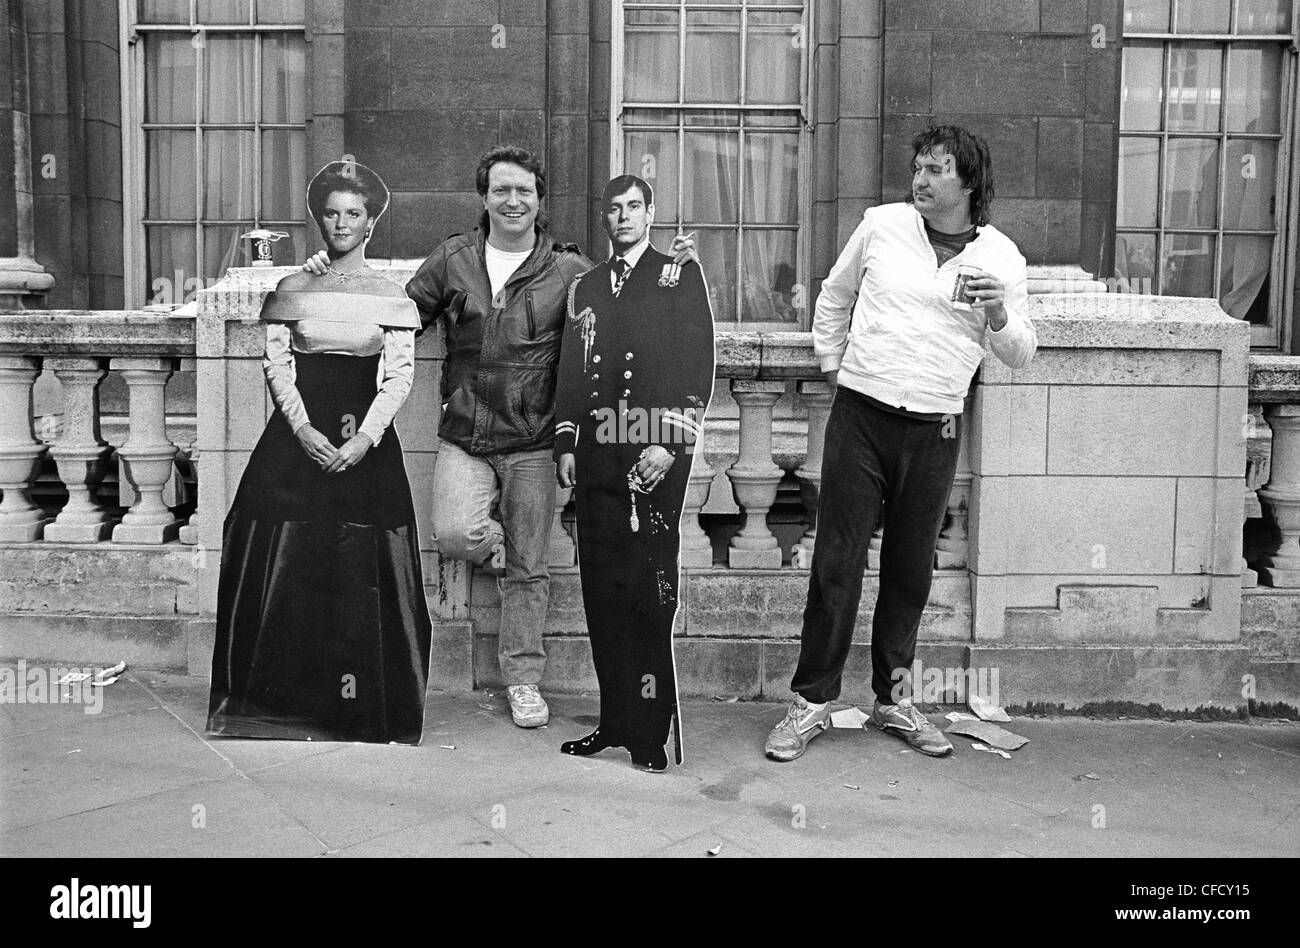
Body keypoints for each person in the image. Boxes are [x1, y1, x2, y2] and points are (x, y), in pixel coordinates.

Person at [765, 124, 1037, 762]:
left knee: (911, 569)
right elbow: (833, 299)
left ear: (968, 183)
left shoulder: (1002, 257)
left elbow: (1020, 352)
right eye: (918, 166)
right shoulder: (882, 225)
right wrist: (835, 367)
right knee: (836, 563)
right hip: (861, 416)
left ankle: (894, 700)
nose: (921, 178)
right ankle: (810, 702)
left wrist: (998, 313)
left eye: (938, 169)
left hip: (936, 427)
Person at [208, 159, 432, 743]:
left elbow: (400, 377)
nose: (341, 223)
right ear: (318, 219)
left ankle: (357, 707)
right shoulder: (293, 289)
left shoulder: (390, 297)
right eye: (330, 213)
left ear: (370, 223)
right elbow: (277, 363)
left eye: (352, 213)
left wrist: (363, 438)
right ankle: (280, 697)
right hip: (294, 442)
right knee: (281, 552)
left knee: (360, 561)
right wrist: (303, 429)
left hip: (366, 446)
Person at [553, 175, 715, 772]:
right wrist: (567, 440)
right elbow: (572, 370)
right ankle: (613, 721)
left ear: (650, 214)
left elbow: (697, 364)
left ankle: (648, 731)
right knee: (602, 592)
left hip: (651, 453)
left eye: (634, 207)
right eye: (613, 209)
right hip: (598, 454)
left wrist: (670, 443)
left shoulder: (676, 276)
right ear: (604, 219)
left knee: (647, 593)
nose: (623, 217)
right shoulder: (587, 287)